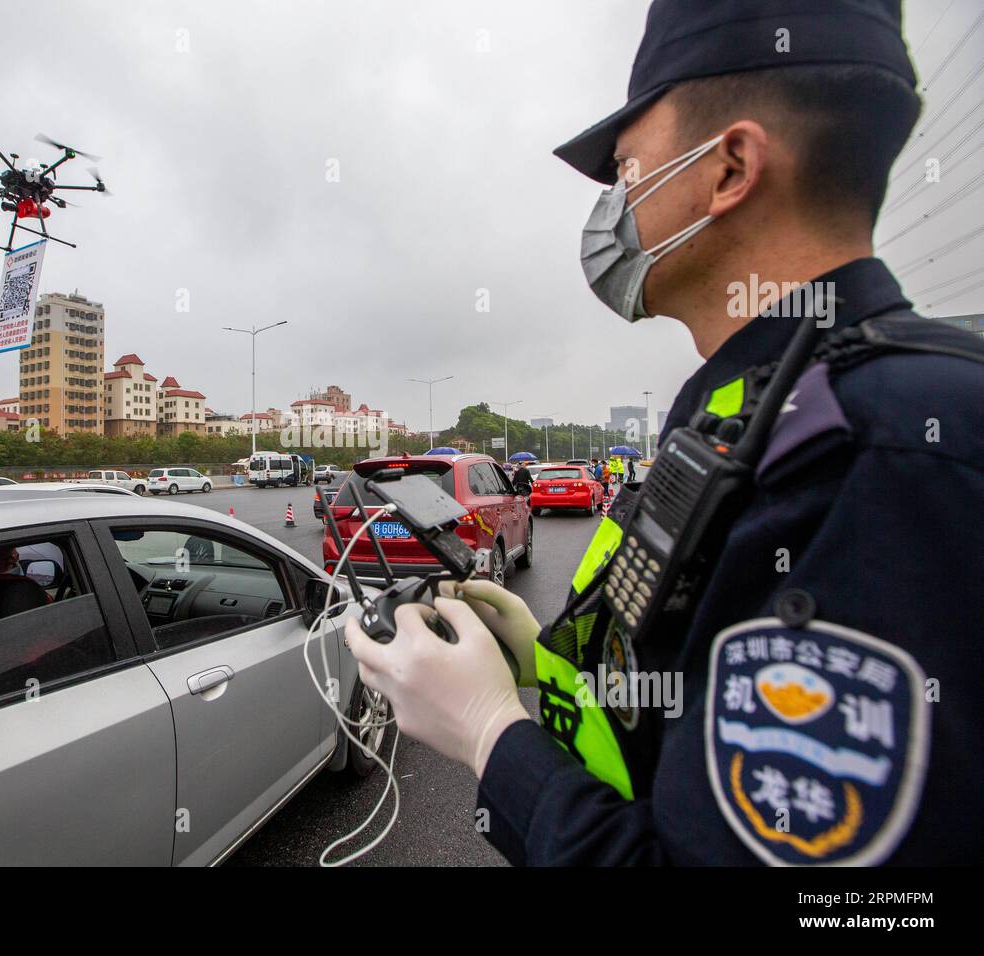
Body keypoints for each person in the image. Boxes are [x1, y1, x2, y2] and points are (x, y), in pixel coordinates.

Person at [345, 0, 983, 866]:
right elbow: (694, 699)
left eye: (629, 167)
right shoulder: (749, 407)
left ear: (729, 170)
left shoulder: (884, 451)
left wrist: (491, 734)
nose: (617, 203)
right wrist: (539, 662)